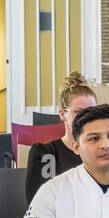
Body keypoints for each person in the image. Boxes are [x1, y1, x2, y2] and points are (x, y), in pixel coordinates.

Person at [26, 72, 96, 202]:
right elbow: (38, 202)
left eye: (91, 112)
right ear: (62, 114)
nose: (87, 118)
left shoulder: (100, 152)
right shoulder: (45, 153)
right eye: (79, 112)